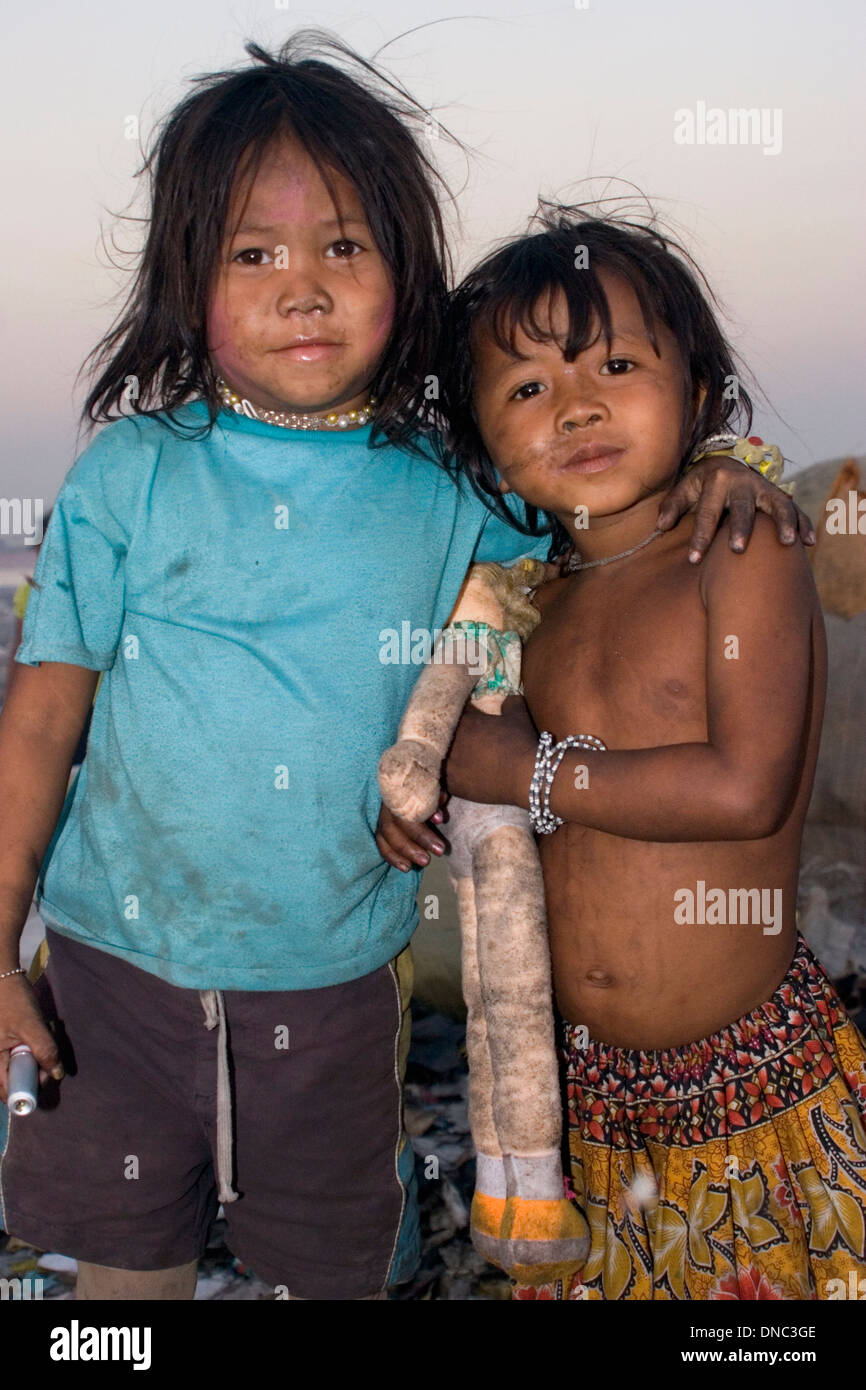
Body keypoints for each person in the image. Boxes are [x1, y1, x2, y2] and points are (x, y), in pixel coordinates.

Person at [0, 32, 806, 1303]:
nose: (301, 289)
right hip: (114, 964)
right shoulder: (128, 475)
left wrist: (726, 461)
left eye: (342, 246)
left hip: (330, 978)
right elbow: (44, 716)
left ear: (405, 270)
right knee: (120, 1278)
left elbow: (604, 516)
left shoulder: (445, 484)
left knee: (334, 1264)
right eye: (250, 255)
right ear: (183, 279)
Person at [439, 208, 866, 1300]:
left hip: (751, 1092)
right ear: (483, 441)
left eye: (617, 363)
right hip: (584, 1109)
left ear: (698, 389)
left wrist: (525, 773)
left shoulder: (736, 544)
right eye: (524, 389)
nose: (574, 404)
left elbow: (743, 786)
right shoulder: (527, 603)